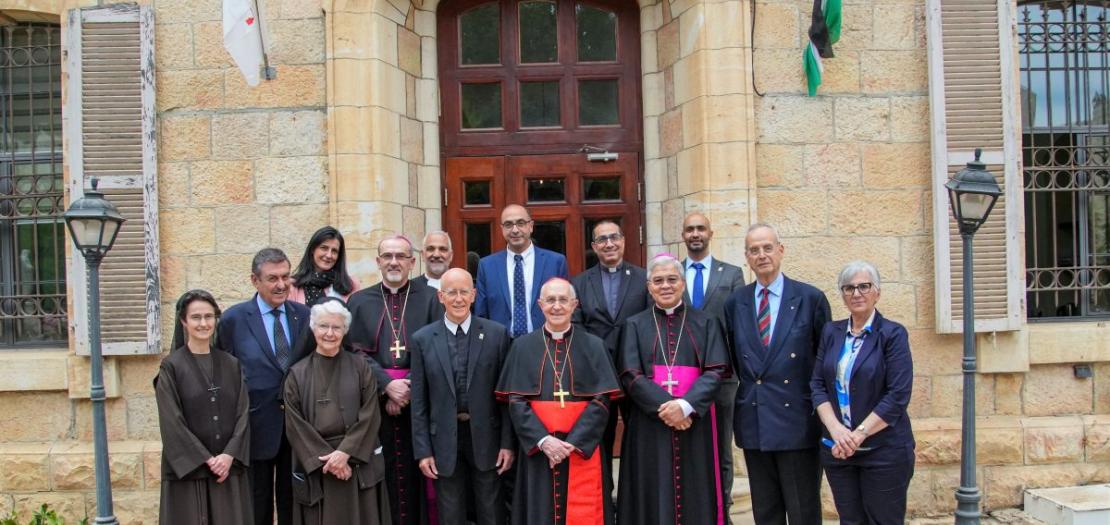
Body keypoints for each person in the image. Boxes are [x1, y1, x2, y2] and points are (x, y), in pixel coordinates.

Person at [724, 223, 831, 525]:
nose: (761, 255)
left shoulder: (810, 298)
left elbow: (823, 363)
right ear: (747, 256)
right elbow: (737, 360)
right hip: (755, 420)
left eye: (767, 247)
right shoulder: (736, 303)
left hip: (798, 421)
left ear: (780, 250)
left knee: (803, 512)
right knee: (766, 512)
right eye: (754, 250)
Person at [495, 278, 622, 525]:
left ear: (574, 304)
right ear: (540, 304)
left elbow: (601, 400)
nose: (556, 306)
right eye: (550, 300)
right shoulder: (522, 347)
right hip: (539, 449)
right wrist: (544, 441)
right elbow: (516, 400)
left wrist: (572, 443)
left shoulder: (594, 346)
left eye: (563, 300)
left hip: (581, 448)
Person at [616, 255, 728, 525]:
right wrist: (668, 407)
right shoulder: (634, 324)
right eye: (658, 281)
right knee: (652, 485)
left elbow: (716, 369)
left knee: (696, 486)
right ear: (649, 287)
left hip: (695, 420)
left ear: (682, 284)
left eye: (672, 279)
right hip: (650, 421)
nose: (665, 285)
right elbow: (630, 374)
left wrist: (685, 406)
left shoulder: (707, 322)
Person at [347, 234, 443, 525]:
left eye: (401, 256)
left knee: (420, 475)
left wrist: (409, 388)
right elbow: (352, 351)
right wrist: (386, 387)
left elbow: (438, 347)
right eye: (387, 256)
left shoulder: (430, 299)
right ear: (377, 262)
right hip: (375, 404)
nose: (394, 262)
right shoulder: (360, 301)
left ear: (413, 262)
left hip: (420, 402)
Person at [810, 261, 915, 525]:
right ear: (842, 294)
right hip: (839, 451)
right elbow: (817, 385)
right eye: (849, 288)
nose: (856, 293)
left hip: (883, 452)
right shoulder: (831, 332)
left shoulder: (892, 334)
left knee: (883, 520)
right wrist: (836, 431)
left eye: (864, 286)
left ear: (877, 292)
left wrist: (857, 435)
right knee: (850, 521)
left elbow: (898, 396)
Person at [410, 268, 515, 525]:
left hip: (487, 437)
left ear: (474, 295)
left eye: (463, 292)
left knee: (492, 512)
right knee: (450, 513)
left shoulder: (496, 334)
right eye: (451, 292)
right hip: (443, 439)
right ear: (440, 297)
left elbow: (506, 397)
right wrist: (423, 451)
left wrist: (507, 444)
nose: (458, 298)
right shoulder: (422, 339)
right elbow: (419, 402)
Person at [219, 248, 311, 525]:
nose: (282, 285)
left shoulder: (304, 315)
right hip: (253, 428)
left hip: (296, 429)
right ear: (254, 280)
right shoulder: (233, 320)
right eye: (273, 278)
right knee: (255, 505)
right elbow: (225, 377)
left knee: (292, 504)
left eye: (285, 277)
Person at [284, 299, 390, 524]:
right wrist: (330, 461)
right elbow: (295, 426)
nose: (329, 333)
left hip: (357, 463)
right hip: (319, 467)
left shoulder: (361, 367)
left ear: (345, 331)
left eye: (336, 327)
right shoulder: (297, 374)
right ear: (313, 328)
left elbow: (371, 414)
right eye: (323, 326)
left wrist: (345, 453)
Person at [156, 290, 253, 525]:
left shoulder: (231, 364)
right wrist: (206, 459)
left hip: (227, 470)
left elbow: (243, 413)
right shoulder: (171, 367)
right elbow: (171, 420)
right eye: (196, 317)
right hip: (189, 472)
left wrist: (229, 455)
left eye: (209, 317)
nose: (203, 323)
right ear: (184, 322)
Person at [569, 220, 649, 495]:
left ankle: (632, 500)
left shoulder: (643, 279)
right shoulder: (579, 282)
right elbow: (576, 329)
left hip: (635, 374)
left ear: (624, 240)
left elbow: (649, 327)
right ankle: (603, 498)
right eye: (602, 240)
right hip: (596, 376)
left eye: (614, 237)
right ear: (594, 247)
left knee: (638, 437)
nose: (609, 244)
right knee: (599, 439)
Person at [680, 212, 746, 518]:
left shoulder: (730, 274)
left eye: (700, 229)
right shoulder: (673, 274)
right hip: (679, 376)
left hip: (722, 376)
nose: (695, 234)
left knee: (722, 447)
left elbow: (739, 325)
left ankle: (724, 508)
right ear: (683, 235)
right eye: (690, 229)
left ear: (710, 233)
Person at [476, 204, 569, 337]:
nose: (515, 230)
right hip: (501, 346)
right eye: (508, 224)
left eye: (520, 223)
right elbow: (481, 314)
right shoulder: (487, 266)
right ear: (502, 229)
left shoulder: (555, 262)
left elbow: (566, 307)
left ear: (530, 226)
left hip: (545, 344)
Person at [289, 226, 361, 305]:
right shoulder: (293, 285)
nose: (329, 255)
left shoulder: (351, 285)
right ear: (313, 249)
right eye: (324, 248)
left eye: (334, 251)